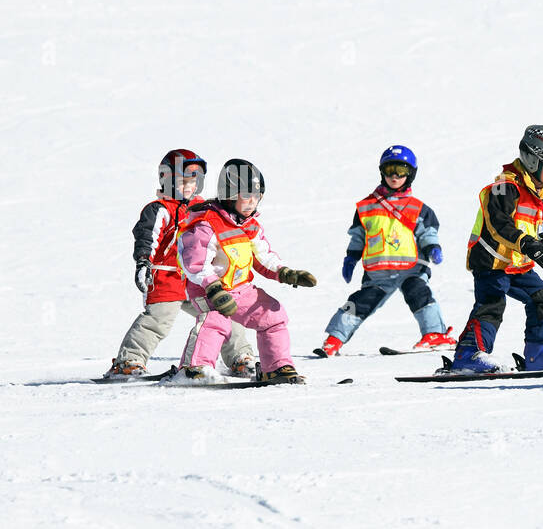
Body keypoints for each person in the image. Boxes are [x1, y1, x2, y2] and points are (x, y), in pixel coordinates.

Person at [104, 149, 255, 378]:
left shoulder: (203, 208)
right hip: (168, 277)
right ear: (166, 180)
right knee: (158, 319)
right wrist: (143, 262)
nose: (189, 187)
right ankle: (129, 362)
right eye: (182, 181)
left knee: (222, 312)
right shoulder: (160, 209)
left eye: (194, 181)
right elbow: (147, 236)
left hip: (197, 278)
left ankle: (240, 359)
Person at [174, 159, 316, 383]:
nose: (252, 202)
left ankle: (276, 368)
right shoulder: (207, 224)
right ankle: (195, 368)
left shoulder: (249, 225)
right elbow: (194, 262)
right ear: (229, 194)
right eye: (246, 196)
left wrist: (286, 273)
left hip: (241, 290)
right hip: (208, 290)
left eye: (257, 197)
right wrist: (214, 288)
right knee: (216, 320)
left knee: (273, 315)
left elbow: (262, 257)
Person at [450, 125, 543, 373]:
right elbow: (498, 224)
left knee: (541, 298)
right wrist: (528, 243)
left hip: (518, 264)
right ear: (532, 158)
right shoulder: (504, 187)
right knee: (492, 304)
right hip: (491, 261)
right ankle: (468, 355)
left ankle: (540, 352)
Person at [319, 145, 454, 356]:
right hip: (378, 272)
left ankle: (435, 334)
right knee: (358, 303)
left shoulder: (418, 208)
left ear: (411, 174)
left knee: (419, 295)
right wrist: (350, 258)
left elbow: (427, 232)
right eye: (390, 169)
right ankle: (334, 339)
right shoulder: (366, 206)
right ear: (382, 171)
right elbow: (358, 236)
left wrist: (433, 247)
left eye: (401, 171)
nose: (394, 176)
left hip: (410, 268)